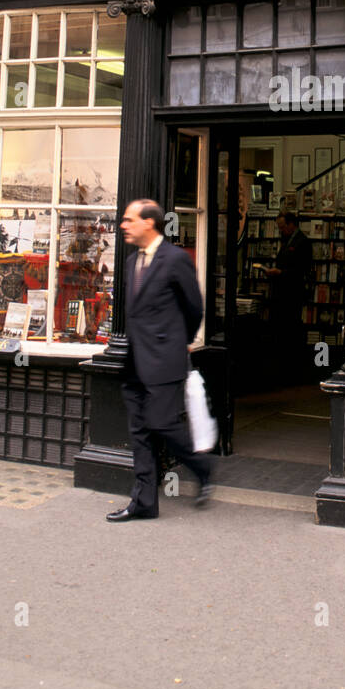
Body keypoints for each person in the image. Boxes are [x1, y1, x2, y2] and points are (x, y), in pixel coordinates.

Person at [106, 199, 212, 522]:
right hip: (135, 361)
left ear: (149, 223)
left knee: (161, 424)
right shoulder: (131, 261)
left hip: (165, 360)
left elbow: (195, 307)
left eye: (129, 220)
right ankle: (144, 502)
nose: (123, 225)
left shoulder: (175, 259)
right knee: (139, 432)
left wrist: (182, 342)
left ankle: (202, 467)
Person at [264, 211, 312, 378]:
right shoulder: (287, 240)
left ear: (292, 225)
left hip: (292, 294)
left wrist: (281, 273)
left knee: (290, 329)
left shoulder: (303, 242)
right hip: (282, 292)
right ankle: (284, 367)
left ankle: (291, 369)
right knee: (282, 330)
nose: (281, 230)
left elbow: (302, 270)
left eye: (283, 227)